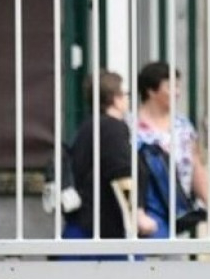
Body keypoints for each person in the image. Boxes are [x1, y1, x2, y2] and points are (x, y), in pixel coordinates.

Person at [62, 70, 156, 244]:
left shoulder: (89, 126)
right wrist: (137, 215)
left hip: (84, 226)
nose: (128, 100)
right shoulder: (112, 128)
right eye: (126, 94)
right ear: (116, 99)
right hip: (104, 232)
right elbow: (121, 173)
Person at [135, 61, 210, 237]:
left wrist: (208, 201)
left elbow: (196, 165)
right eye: (171, 87)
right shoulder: (131, 125)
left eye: (178, 87)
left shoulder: (182, 125)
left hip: (178, 211)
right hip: (145, 211)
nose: (177, 93)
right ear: (151, 90)